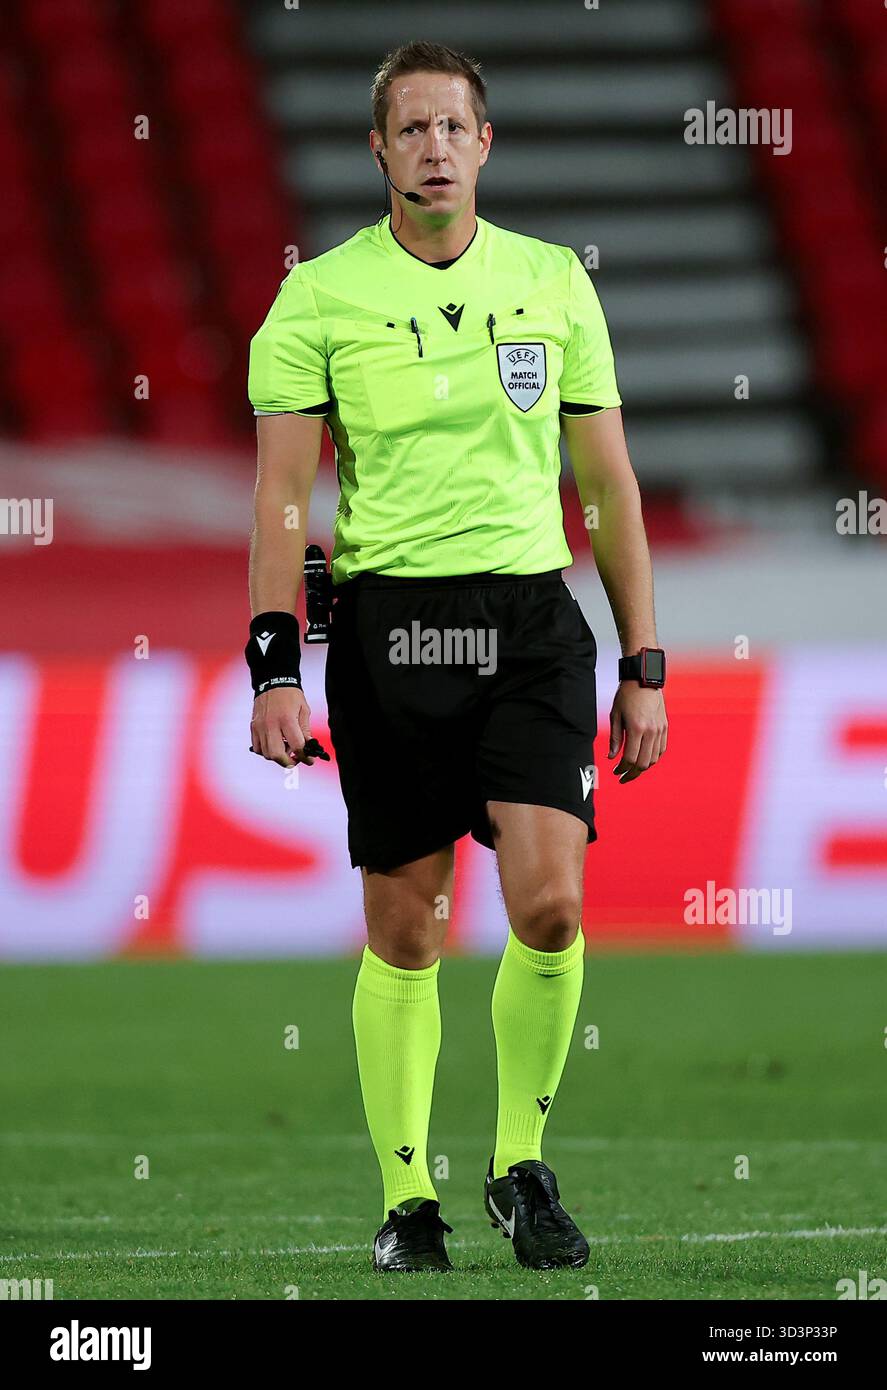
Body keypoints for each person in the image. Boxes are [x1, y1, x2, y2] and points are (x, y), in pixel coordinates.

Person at [245, 40, 668, 1273]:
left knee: (548, 902)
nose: (433, 147)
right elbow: (280, 499)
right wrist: (274, 666)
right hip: (389, 634)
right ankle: (404, 1200)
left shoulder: (552, 284)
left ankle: (518, 1165)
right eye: (410, 129)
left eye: (452, 128)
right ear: (377, 150)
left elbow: (607, 486)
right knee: (410, 932)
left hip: (529, 627)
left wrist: (642, 660)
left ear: (485, 145)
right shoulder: (316, 298)